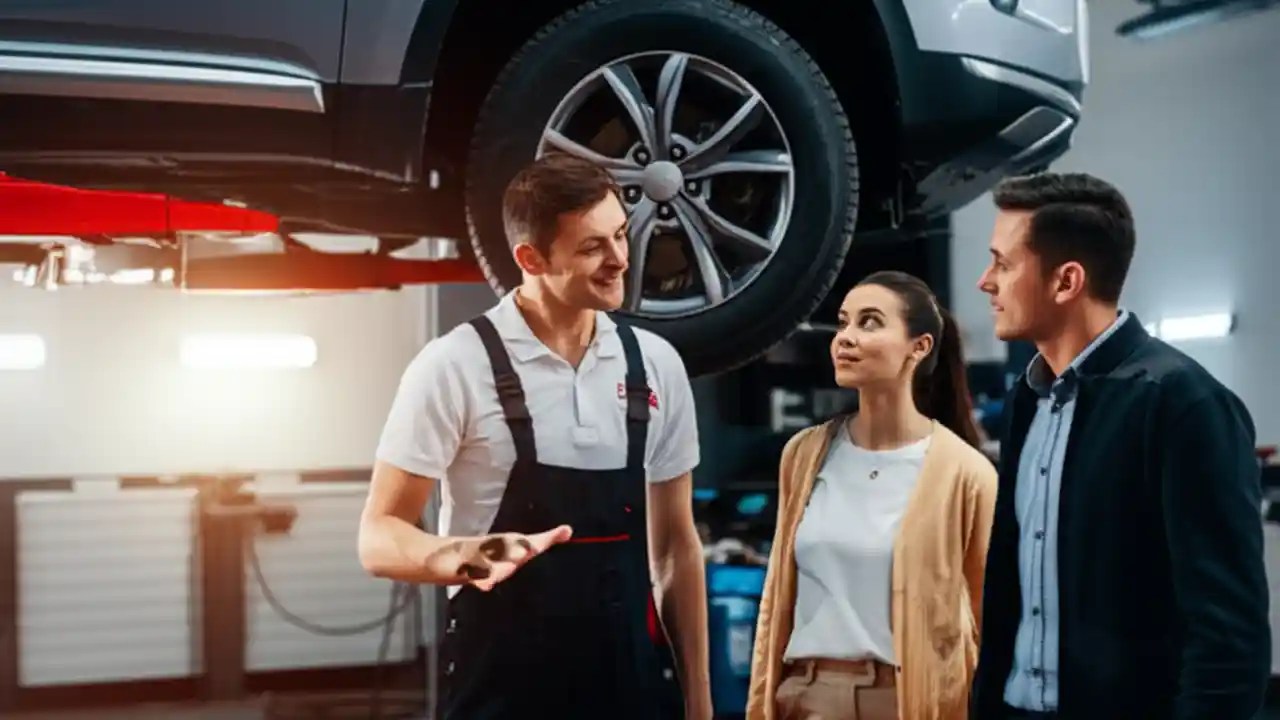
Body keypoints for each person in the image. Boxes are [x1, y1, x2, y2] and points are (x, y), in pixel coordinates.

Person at [357, 152, 712, 719]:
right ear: (531, 258)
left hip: (630, 688)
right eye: (592, 247)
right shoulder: (454, 365)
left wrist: (699, 701)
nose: (620, 259)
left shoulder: (655, 364)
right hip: (501, 688)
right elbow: (378, 537)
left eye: (621, 235)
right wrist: (466, 555)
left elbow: (674, 547)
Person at [969, 172, 1270, 720]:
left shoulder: (1183, 403)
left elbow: (1228, 635)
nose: (985, 282)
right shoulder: (1025, 402)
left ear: (1066, 281)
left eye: (1003, 264)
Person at [747, 270, 999, 720]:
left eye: (869, 322)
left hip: (909, 700)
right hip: (806, 696)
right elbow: (775, 601)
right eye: (843, 322)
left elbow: (987, 618)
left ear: (919, 347)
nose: (845, 337)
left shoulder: (966, 472)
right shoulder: (804, 454)